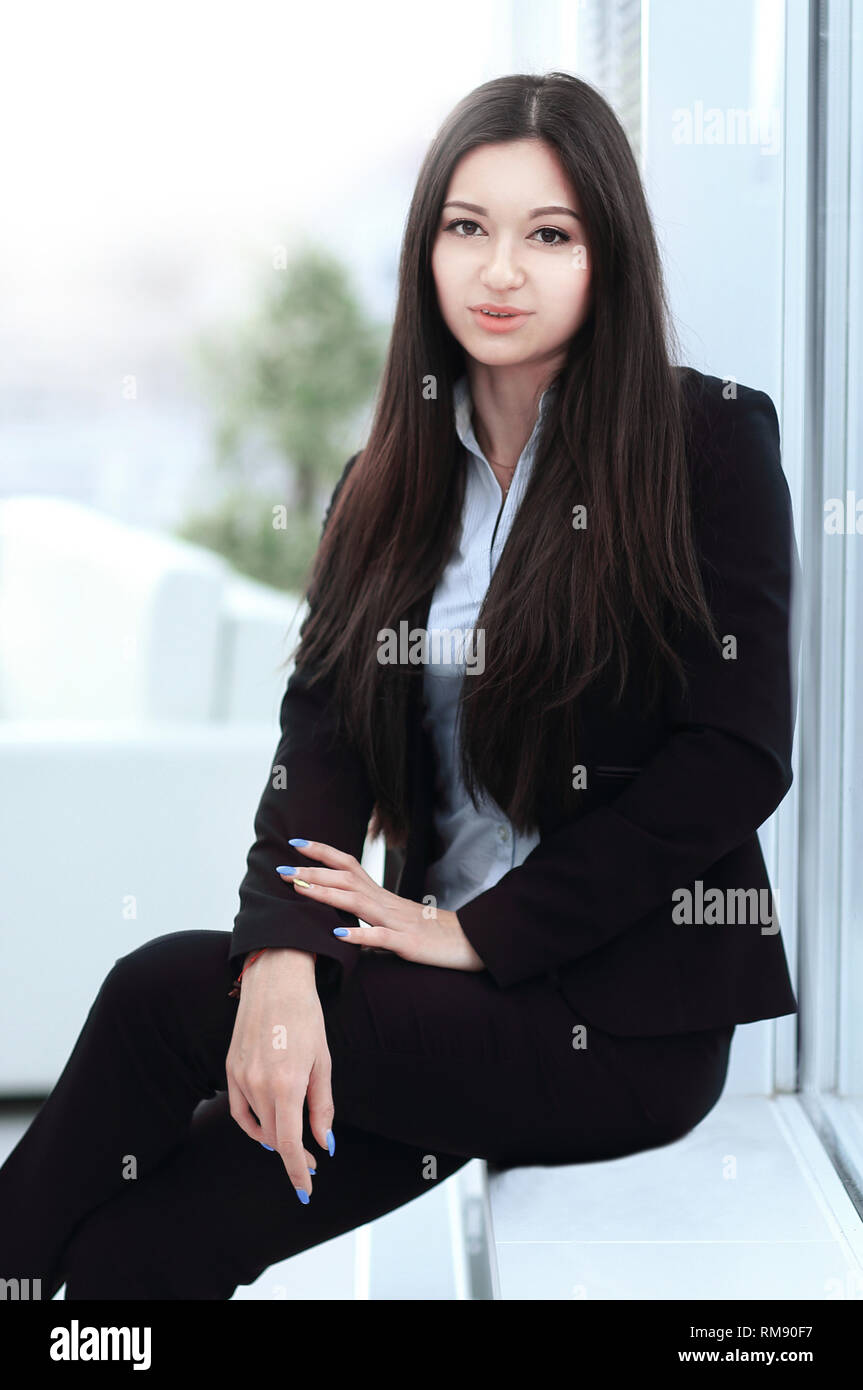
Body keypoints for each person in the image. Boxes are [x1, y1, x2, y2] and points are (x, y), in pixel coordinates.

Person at [0, 70, 799, 1300]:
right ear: (426, 246)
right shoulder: (383, 480)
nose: (499, 270)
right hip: (424, 1012)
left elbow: (734, 755)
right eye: (466, 228)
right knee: (132, 1255)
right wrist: (283, 958)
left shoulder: (706, 445)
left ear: (609, 257)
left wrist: (476, 930)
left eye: (549, 235)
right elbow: (319, 734)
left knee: (160, 991)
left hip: (615, 1027)